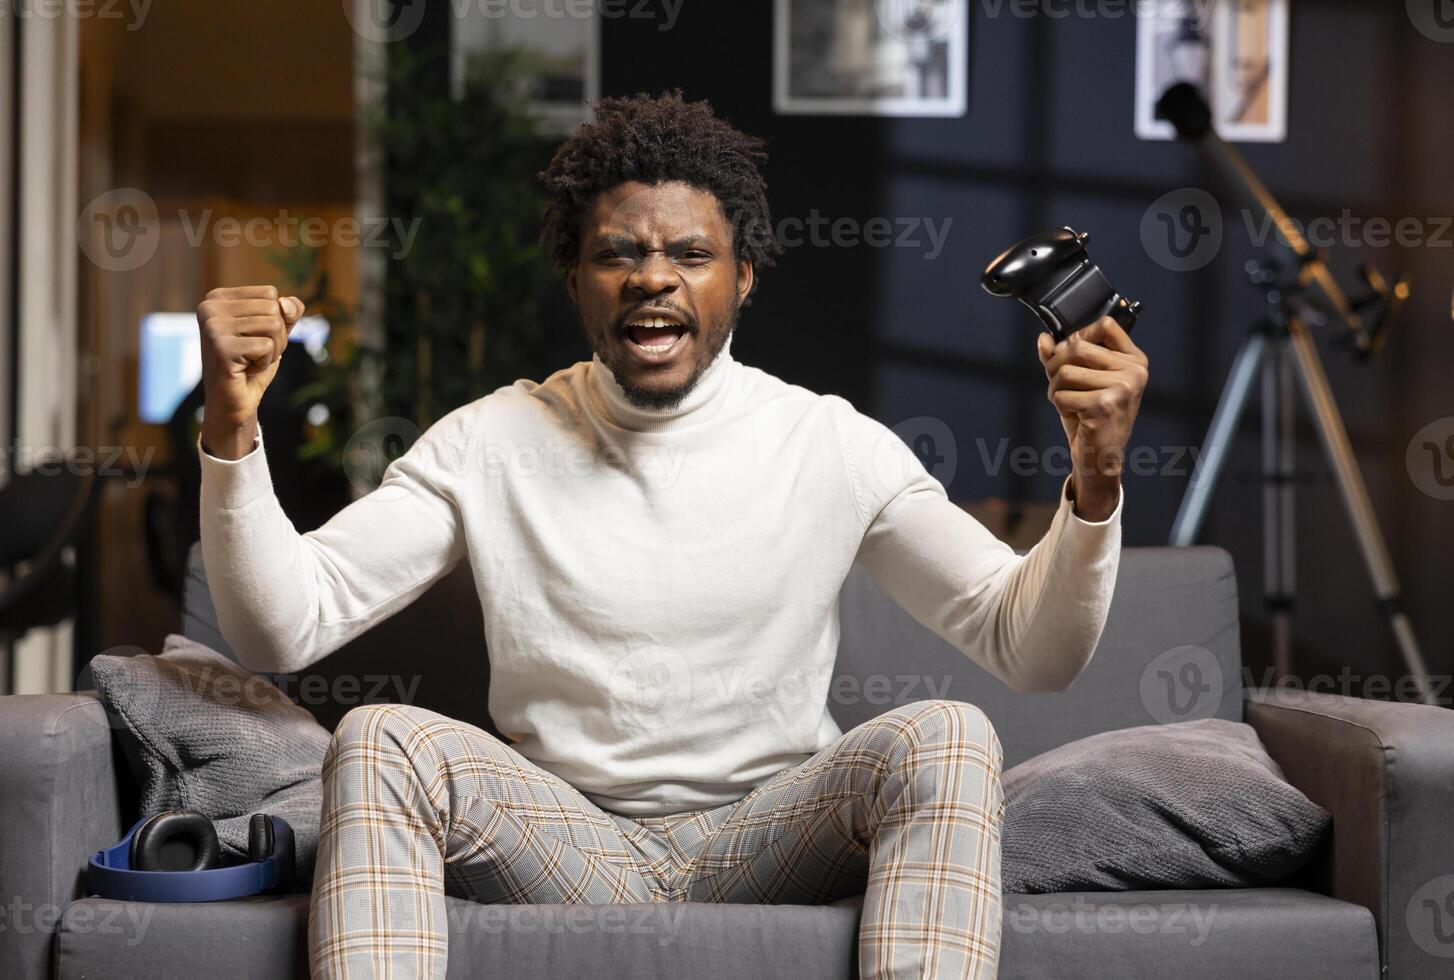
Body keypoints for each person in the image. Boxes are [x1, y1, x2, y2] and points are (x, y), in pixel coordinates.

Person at [194, 90, 1147, 980]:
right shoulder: (490, 440)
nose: (654, 277)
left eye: (691, 255)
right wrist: (231, 432)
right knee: (379, 736)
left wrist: (1097, 478)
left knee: (948, 734)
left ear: (744, 275)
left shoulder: (828, 442)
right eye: (618, 254)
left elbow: (1033, 652)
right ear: (577, 278)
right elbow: (290, 626)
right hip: (561, 835)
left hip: (772, 834)